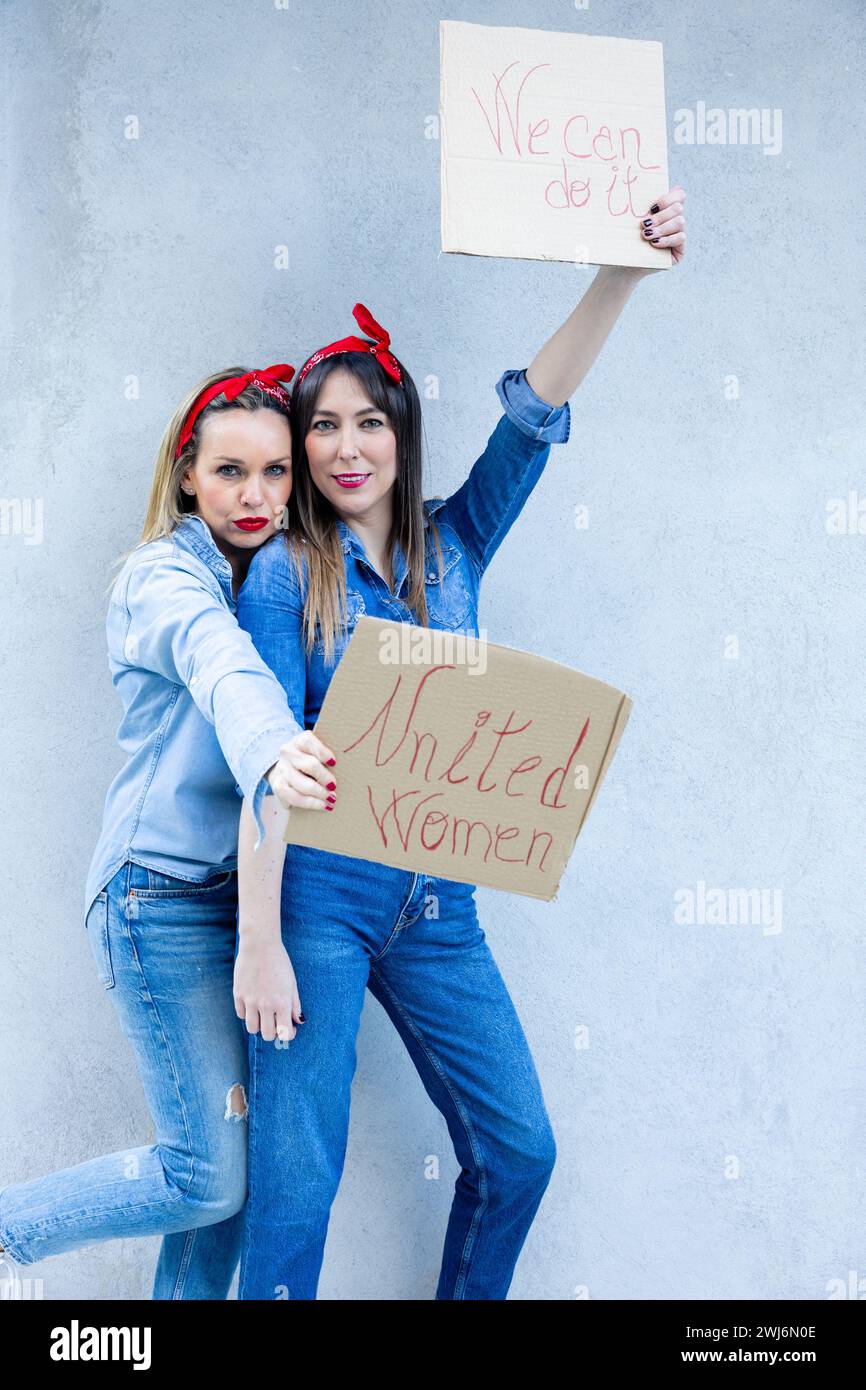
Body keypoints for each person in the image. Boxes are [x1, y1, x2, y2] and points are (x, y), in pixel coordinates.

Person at [231, 190, 687, 1298]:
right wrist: (259, 940)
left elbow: (534, 409)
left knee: (520, 1150)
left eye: (368, 421)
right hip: (319, 903)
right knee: (297, 1178)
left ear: (401, 433)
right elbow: (258, 759)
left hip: (439, 906)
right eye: (322, 427)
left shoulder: (456, 544)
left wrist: (620, 272)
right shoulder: (288, 575)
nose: (346, 447)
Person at [0, 363, 331, 1299]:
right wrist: (276, 749)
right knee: (204, 1173)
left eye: (276, 473)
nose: (257, 495)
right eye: (231, 471)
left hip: (242, 905)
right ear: (188, 472)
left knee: (231, 1188)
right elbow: (215, 661)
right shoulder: (162, 580)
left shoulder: (276, 578)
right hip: (158, 902)